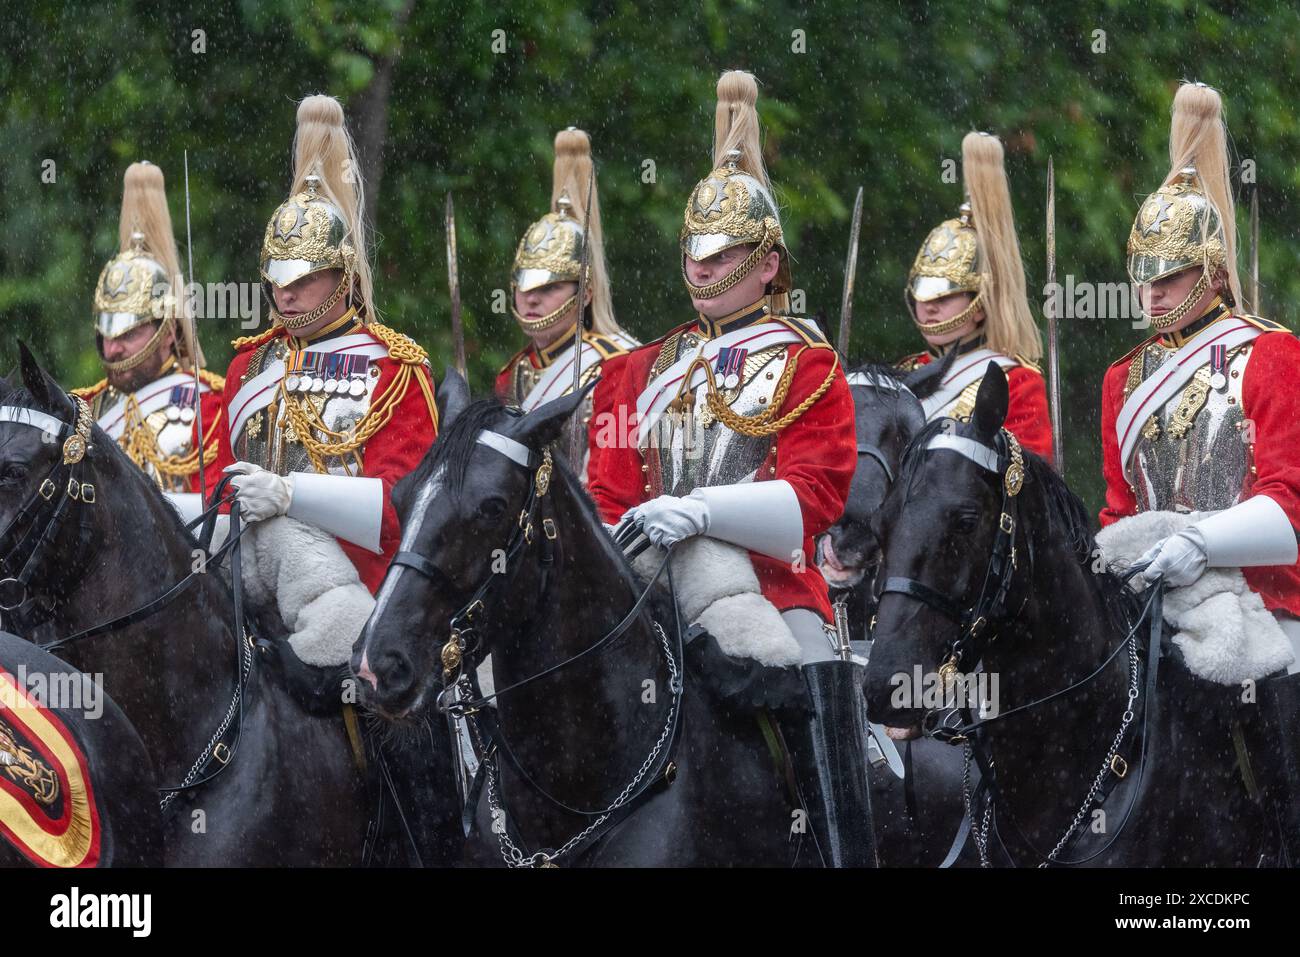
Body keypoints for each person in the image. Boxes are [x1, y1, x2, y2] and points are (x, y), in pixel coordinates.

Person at [587, 70, 867, 865]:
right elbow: (607, 489)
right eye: (695, 254)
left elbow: (814, 499)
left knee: (821, 687)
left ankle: (841, 849)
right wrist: (631, 534)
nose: (704, 269)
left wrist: (704, 512)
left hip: (774, 591)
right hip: (649, 583)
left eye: (725, 255)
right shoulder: (636, 372)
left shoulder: (808, 364)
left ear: (769, 262)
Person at [1098, 81, 1300, 861]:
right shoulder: (1122, 377)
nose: (1151, 290)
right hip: (1154, 608)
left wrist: (1203, 544)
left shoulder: (1271, 351)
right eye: (1143, 273)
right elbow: (1120, 508)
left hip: (1264, 605)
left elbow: (1287, 509)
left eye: (1170, 274)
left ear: (1212, 270)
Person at [73, 161, 224, 518]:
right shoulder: (82, 410)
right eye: (107, 332)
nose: (112, 349)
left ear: (168, 331)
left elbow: (218, 514)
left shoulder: (209, 404)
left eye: (129, 332)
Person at [896, 132, 1052, 461]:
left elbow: (1026, 483)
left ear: (980, 305)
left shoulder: (1017, 382)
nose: (929, 306)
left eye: (945, 295)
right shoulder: (905, 372)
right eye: (923, 294)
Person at [494, 128, 637, 483]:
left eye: (551, 287)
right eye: (524, 285)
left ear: (585, 293)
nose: (531, 297)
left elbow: (617, 481)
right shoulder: (512, 375)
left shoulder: (615, 366)